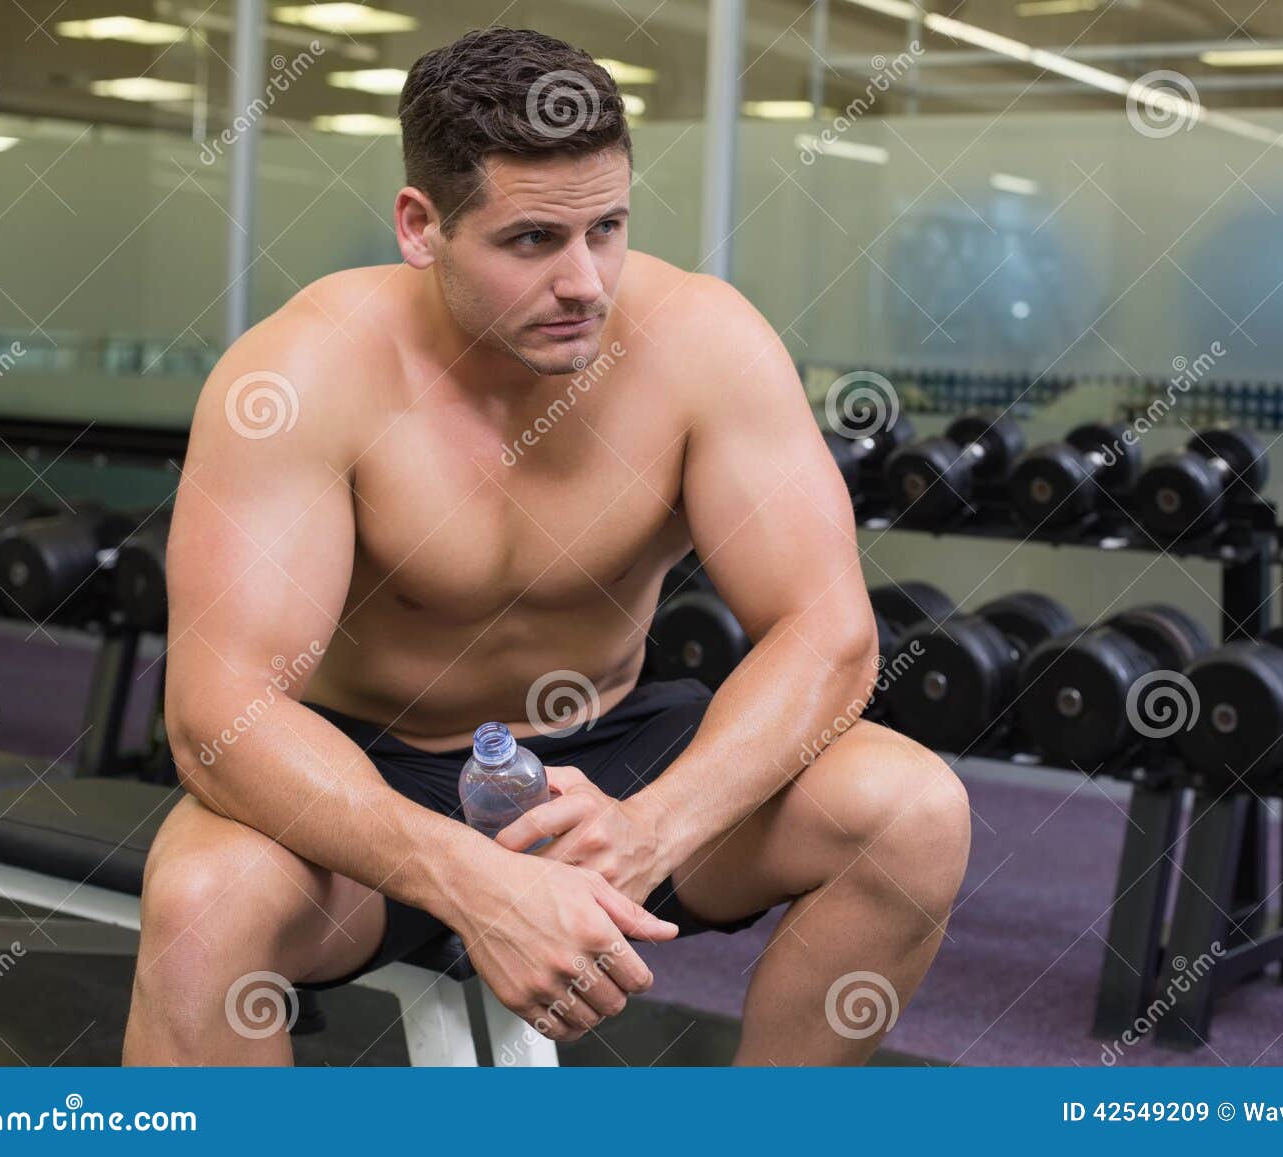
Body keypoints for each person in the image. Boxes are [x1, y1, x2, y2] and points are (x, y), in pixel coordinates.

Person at [123, 26, 970, 1067]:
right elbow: (217, 710)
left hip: (609, 763)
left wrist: (651, 825)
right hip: (365, 772)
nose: (585, 281)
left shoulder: (703, 343)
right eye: (531, 241)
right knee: (206, 905)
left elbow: (828, 634)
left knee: (911, 809)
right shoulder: (303, 375)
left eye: (606, 228)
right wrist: (465, 875)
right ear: (419, 226)